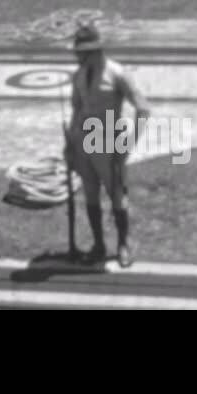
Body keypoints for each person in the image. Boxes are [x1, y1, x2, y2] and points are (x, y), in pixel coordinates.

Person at [65, 24, 151, 267]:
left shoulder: (117, 73)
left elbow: (143, 108)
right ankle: (98, 246)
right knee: (90, 195)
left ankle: (123, 244)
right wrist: (70, 145)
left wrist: (129, 144)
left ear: (94, 51)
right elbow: (76, 109)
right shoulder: (79, 75)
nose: (77, 57)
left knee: (116, 197)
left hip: (110, 142)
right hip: (84, 142)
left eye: (81, 53)